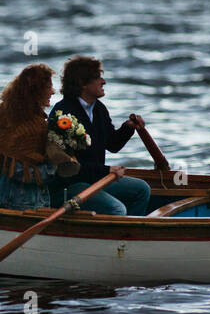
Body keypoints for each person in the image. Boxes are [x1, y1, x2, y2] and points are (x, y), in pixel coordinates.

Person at [47, 55, 151, 216]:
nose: (104, 82)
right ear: (82, 83)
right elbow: (68, 167)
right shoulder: (63, 116)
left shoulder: (99, 109)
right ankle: (118, 237)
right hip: (69, 185)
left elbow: (112, 145)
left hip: (94, 179)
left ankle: (129, 234)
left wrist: (128, 128)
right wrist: (107, 170)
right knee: (117, 209)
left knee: (142, 189)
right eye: (98, 78)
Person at [0, 63, 77, 209]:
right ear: (34, 92)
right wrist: (57, 164)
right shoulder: (34, 127)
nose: (53, 92)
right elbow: (21, 172)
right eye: (48, 88)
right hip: (22, 202)